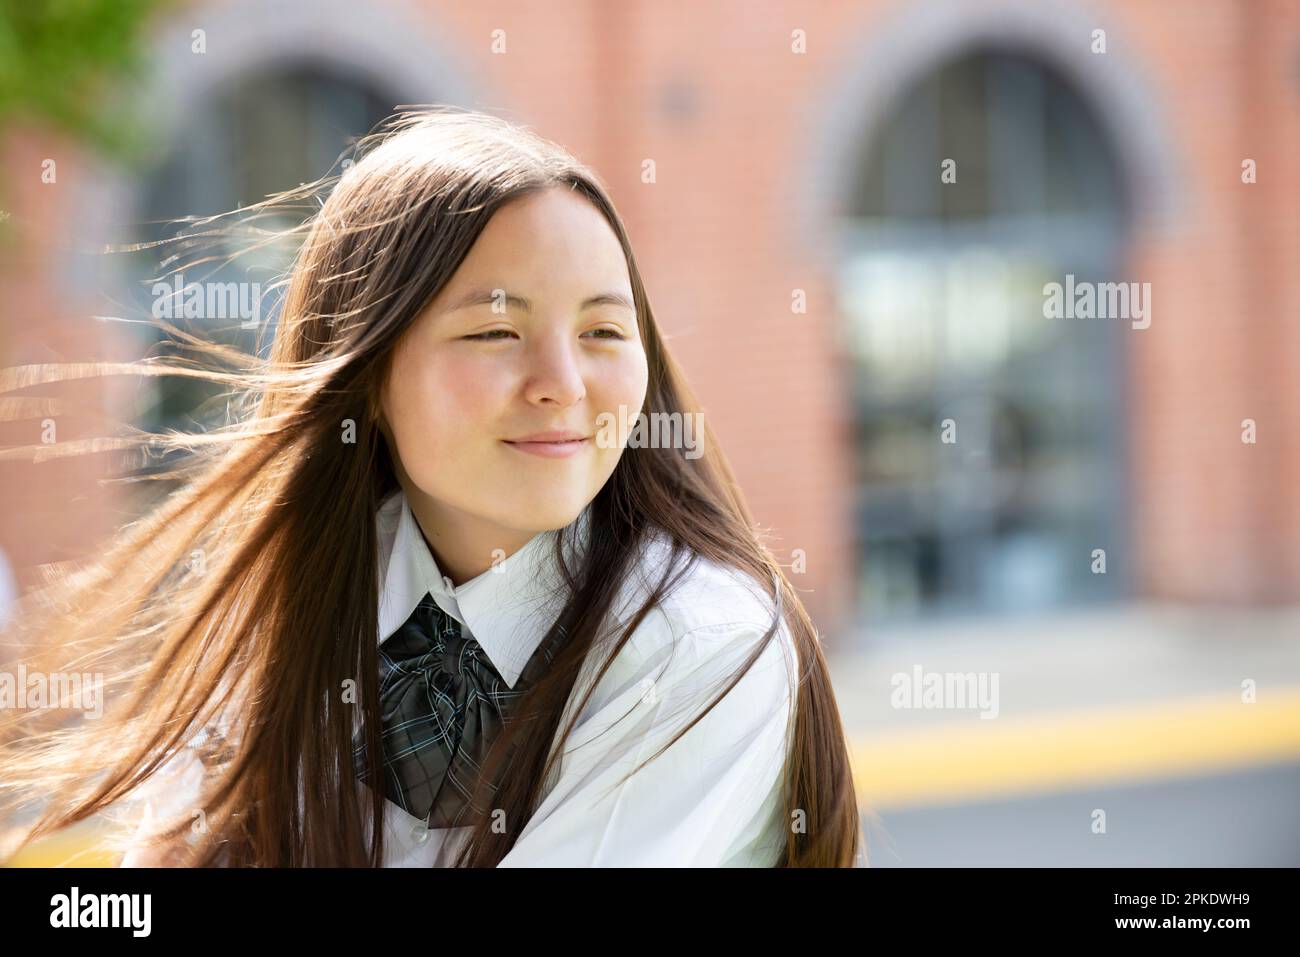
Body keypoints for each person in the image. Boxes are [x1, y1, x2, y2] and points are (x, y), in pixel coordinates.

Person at [0, 107, 862, 867]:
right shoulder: (308, 597)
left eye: (603, 328)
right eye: (495, 330)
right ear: (369, 374)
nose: (562, 381)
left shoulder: (691, 641)